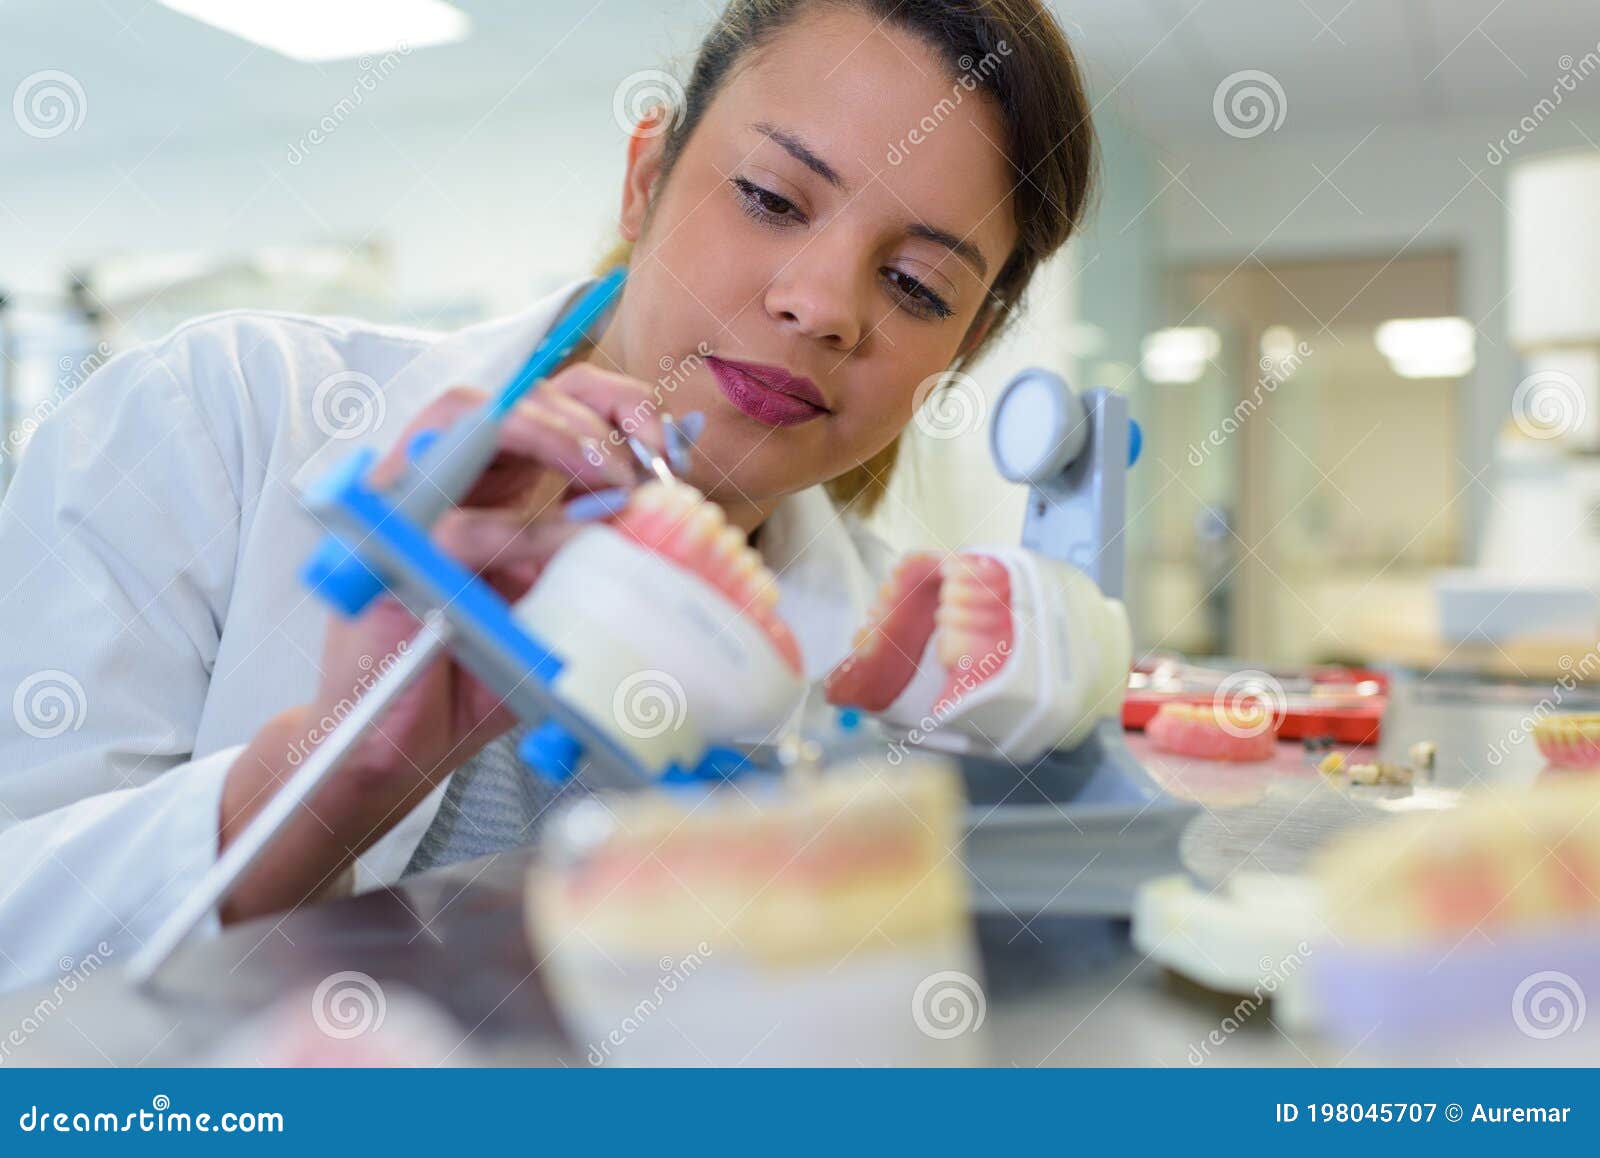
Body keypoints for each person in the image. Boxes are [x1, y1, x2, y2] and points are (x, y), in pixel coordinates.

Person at [0, 0, 1096, 991]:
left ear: (970, 342)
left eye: (916, 286)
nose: (819, 305)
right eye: (769, 197)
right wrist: (342, 766)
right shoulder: (215, 417)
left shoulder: (889, 681)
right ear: (645, 177)